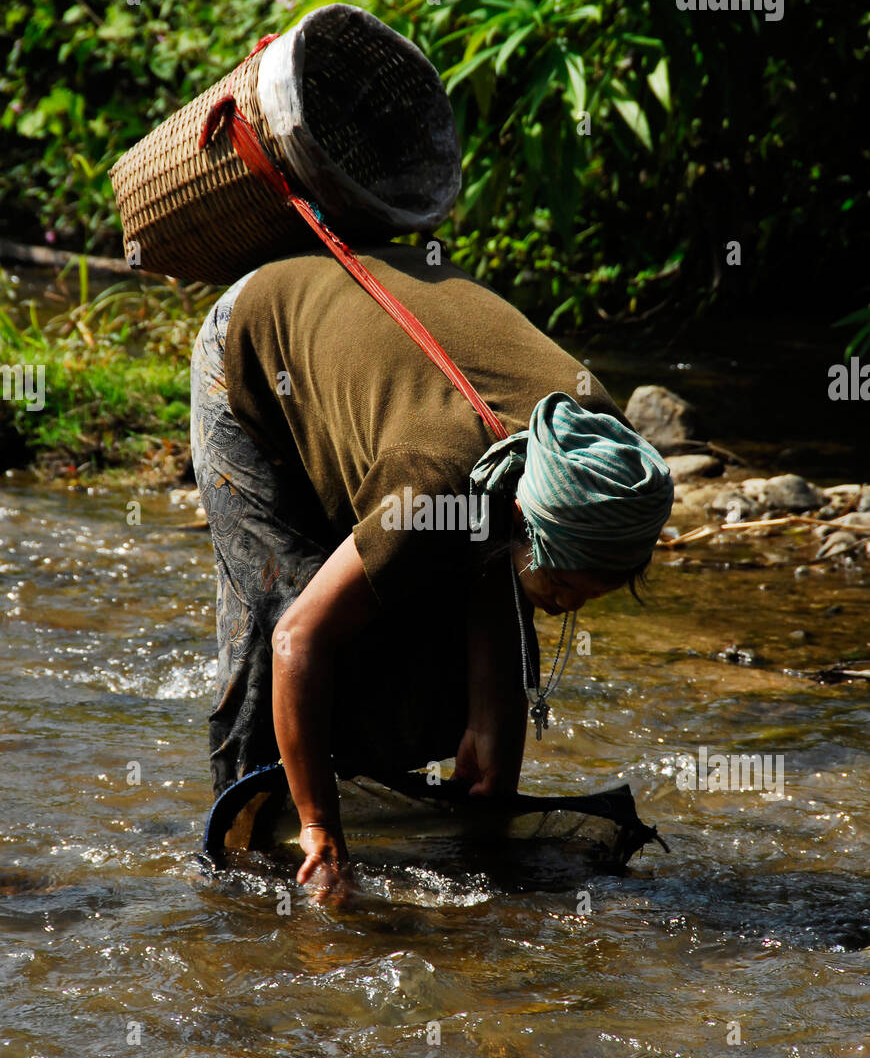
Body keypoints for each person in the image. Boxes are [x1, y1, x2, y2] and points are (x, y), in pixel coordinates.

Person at [190, 241, 673, 900]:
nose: (567, 608)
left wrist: (490, 736)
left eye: (593, 593)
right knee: (289, 610)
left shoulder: (607, 460)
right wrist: (322, 828)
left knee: (424, 619)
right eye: (560, 585)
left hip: (405, 387)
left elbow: (495, 571)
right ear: (522, 521)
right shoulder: (431, 493)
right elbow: (296, 641)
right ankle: (240, 875)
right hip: (257, 350)